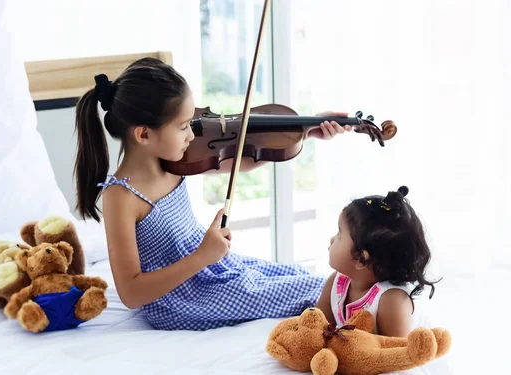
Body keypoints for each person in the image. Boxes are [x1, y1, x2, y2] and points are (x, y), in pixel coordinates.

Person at [73, 57, 351, 331]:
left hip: (213, 270)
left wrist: (307, 130)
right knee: (316, 291)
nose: (191, 136)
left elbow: (244, 157)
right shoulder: (121, 197)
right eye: (183, 127)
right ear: (144, 135)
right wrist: (203, 256)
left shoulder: (172, 160)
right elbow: (131, 293)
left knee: (305, 276)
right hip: (183, 300)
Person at [314, 185, 440, 337]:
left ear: (361, 259)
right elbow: (317, 326)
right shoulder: (337, 282)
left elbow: (397, 355)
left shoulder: (392, 301)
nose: (332, 239)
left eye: (340, 234)